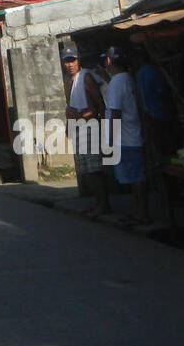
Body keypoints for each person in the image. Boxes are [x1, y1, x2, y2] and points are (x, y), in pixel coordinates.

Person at [62, 45, 110, 218]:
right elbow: (70, 107)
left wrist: (105, 130)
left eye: (72, 60)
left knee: (95, 169)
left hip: (90, 127)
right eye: (67, 61)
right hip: (77, 130)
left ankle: (103, 204)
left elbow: (100, 105)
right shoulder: (68, 82)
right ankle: (97, 203)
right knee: (87, 170)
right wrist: (69, 126)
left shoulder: (86, 78)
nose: (70, 64)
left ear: (78, 60)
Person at [104, 46, 150, 225]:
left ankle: (142, 213)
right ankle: (139, 211)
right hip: (132, 134)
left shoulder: (117, 81)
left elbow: (115, 112)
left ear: (109, 61)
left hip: (125, 138)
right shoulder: (127, 78)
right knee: (135, 177)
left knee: (135, 178)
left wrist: (110, 141)